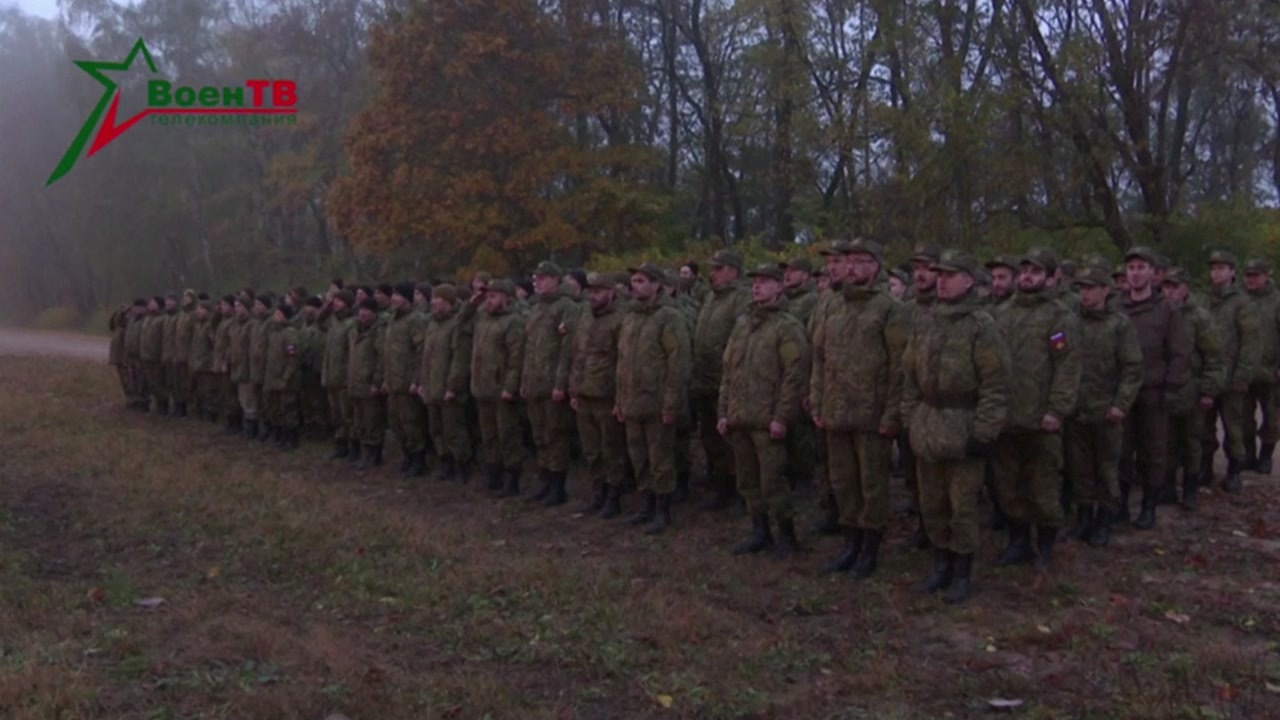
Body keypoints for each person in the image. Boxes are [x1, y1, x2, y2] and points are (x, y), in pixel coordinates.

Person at [901, 249, 1010, 604]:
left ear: (968, 281)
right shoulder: (926, 320)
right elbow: (909, 377)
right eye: (939, 275)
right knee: (932, 503)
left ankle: (962, 572)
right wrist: (910, 417)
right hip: (928, 425)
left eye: (950, 275)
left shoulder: (982, 326)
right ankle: (939, 566)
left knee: (962, 505)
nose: (942, 281)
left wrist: (984, 432)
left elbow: (995, 385)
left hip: (963, 427)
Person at [809, 239, 907, 577]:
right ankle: (849, 544)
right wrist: (818, 400)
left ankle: (869, 549)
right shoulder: (832, 304)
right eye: (847, 261)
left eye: (859, 261)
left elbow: (899, 367)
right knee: (843, 482)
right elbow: (820, 358)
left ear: (875, 266)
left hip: (871, 416)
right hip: (836, 412)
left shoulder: (889, 309)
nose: (850, 267)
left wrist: (892, 414)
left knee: (872, 485)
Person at [991, 248, 1081, 572]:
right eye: (1024, 270)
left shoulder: (1058, 318)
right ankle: (1018, 542)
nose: (1027, 276)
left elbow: (1066, 366)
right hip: (1006, 418)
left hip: (1041, 419)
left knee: (1042, 487)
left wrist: (1056, 409)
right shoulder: (1000, 314)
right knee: (1008, 485)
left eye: (1035, 271)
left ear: (1049, 277)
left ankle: (1044, 547)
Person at [718, 264, 810, 558]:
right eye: (755, 282)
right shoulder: (742, 325)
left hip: (767, 419)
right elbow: (728, 372)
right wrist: (723, 411)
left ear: (779, 287)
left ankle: (786, 536)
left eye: (765, 282)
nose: (757, 287)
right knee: (747, 479)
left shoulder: (787, 327)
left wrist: (782, 417)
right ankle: (760, 532)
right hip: (740, 416)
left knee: (773, 480)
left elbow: (794, 375)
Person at [615, 263, 691, 533]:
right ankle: (645, 505)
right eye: (633, 281)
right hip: (633, 402)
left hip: (657, 402)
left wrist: (671, 403)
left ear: (657, 285)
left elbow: (678, 363)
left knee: (660, 459)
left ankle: (663, 510)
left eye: (642, 281)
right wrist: (619, 400)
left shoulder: (668, 317)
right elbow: (622, 363)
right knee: (639, 457)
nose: (636, 285)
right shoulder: (631, 317)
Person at [1070, 267, 1143, 546]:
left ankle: (1105, 520)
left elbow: (1132, 368)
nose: (1085, 294)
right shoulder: (1070, 321)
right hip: (1077, 410)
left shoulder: (1119, 325)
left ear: (1105, 291)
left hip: (1106, 410)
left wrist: (1120, 404)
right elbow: (1058, 350)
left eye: (1090, 288)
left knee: (1107, 469)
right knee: (1080, 468)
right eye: (1081, 289)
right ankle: (1084, 517)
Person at [1118, 247, 1190, 528]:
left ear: (1152, 273)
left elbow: (1179, 352)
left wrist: (1172, 387)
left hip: (1154, 391)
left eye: (1140, 268)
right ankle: (1121, 505)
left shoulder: (1168, 310)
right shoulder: (1117, 307)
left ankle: (1148, 507)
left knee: (1153, 452)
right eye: (1131, 268)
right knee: (1121, 451)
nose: (1135, 273)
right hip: (1123, 392)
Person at [692, 250, 752, 512]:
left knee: (733, 441)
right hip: (704, 380)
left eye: (718, 268)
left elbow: (741, 340)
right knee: (710, 438)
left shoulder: (742, 299)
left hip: (726, 380)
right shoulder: (710, 298)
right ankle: (721, 486)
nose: (712, 273)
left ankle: (742, 491)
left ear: (733, 271)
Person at [1161, 268, 1223, 511]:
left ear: (1185, 288)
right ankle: (1166, 487)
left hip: (1192, 389)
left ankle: (1190, 489)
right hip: (1165, 388)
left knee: (1192, 441)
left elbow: (1214, 357)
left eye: (1174, 286)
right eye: (1165, 286)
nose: (1169, 291)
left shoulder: (1200, 317)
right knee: (1166, 442)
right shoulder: (1160, 313)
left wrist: (1208, 390)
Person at [520, 261, 581, 505]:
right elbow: (530, 347)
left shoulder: (566, 307)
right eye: (536, 278)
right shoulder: (537, 308)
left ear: (556, 280)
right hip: (535, 382)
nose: (537, 281)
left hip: (552, 383)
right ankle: (545, 480)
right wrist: (525, 379)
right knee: (539, 435)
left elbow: (568, 350)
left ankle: (558, 486)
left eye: (543, 278)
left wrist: (560, 383)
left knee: (555, 435)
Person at [568, 273, 629, 516]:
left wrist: (619, 397)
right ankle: (598, 492)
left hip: (606, 395)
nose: (594, 296)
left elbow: (623, 363)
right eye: (591, 291)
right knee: (591, 450)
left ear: (611, 293)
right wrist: (574, 388)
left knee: (611, 449)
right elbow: (577, 355)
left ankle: (614, 496)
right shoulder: (585, 318)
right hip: (584, 394)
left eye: (599, 291)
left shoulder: (620, 320)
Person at [1203, 249, 1258, 493]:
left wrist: (1243, 375)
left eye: (1222, 268)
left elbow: (1251, 342)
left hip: (1232, 374)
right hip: (1207, 375)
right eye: (1214, 268)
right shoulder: (1203, 300)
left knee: (1233, 426)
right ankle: (1204, 467)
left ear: (1232, 272)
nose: (1217, 272)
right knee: (1203, 427)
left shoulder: (1242, 303)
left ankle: (1235, 469)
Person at [471, 280, 527, 496]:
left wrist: (509, 387)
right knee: (489, 435)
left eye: (494, 296)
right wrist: (471, 304)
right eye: (487, 296)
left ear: (506, 298)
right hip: (482, 387)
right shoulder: (482, 318)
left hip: (501, 388)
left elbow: (516, 357)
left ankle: (512, 479)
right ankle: (493, 475)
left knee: (507, 435)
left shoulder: (512, 321)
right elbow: (461, 324)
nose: (489, 300)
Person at [385, 283, 430, 478]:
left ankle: (418, 460)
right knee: (397, 423)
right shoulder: (392, 321)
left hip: (407, 383)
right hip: (393, 382)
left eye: (398, 295)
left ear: (407, 298)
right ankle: (407, 456)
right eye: (393, 295)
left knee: (412, 422)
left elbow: (421, 352)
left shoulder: (414, 321)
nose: (394, 298)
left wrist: (416, 379)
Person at [1242, 259, 1280, 475]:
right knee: (1243, 417)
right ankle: (1249, 455)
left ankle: (1266, 456)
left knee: (1272, 417)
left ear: (1266, 276)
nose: (1251, 279)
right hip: (1245, 371)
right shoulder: (1240, 301)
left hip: (1270, 371)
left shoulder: (1276, 301)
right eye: (1248, 275)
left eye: (1255, 275)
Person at [347, 298, 388, 468]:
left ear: (374, 312)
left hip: (369, 382)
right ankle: (363, 452)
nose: (362, 313)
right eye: (360, 310)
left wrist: (377, 381)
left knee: (372, 420)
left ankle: (373, 453)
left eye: (367, 310)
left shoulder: (379, 331)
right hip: (355, 382)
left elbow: (382, 358)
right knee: (359, 420)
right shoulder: (355, 331)